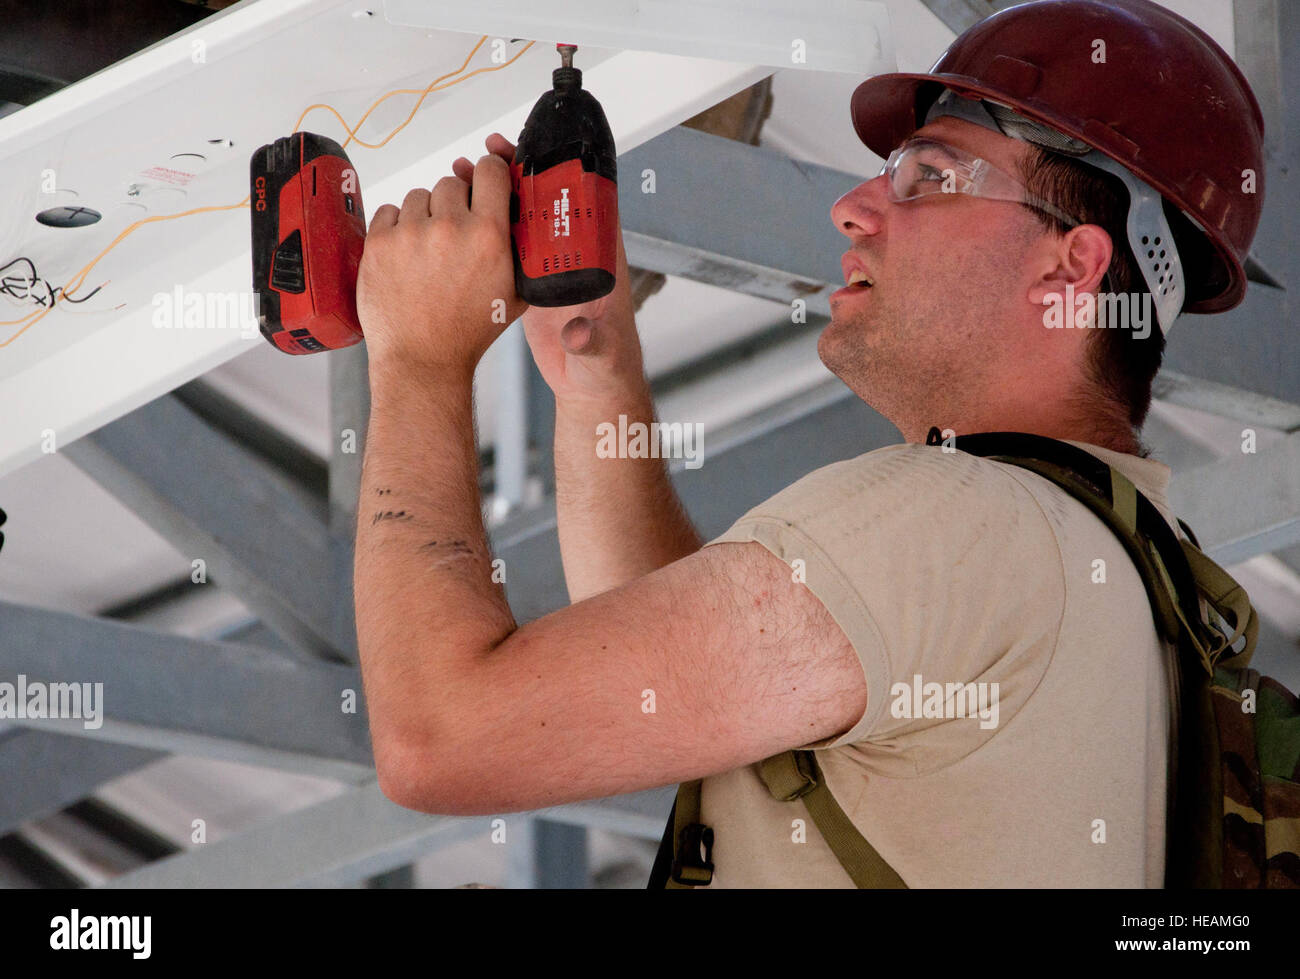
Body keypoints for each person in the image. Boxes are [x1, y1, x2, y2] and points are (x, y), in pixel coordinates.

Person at [350, 0, 1264, 887]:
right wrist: (599, 386)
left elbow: (440, 737)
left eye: (931, 177)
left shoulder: (963, 519)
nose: (854, 208)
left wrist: (421, 360)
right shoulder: (1120, 576)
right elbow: (674, 680)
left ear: (1073, 265)